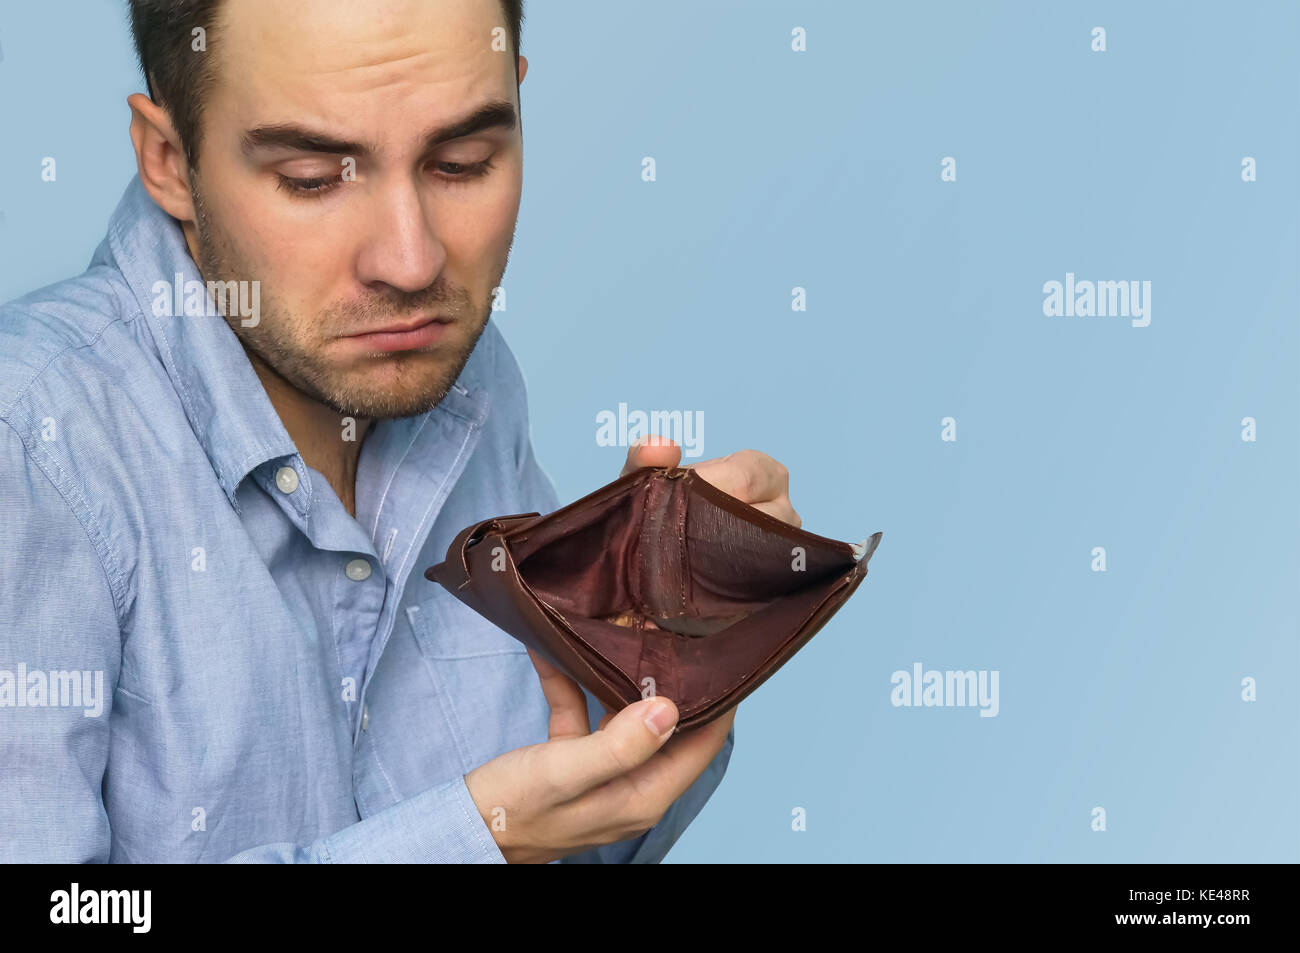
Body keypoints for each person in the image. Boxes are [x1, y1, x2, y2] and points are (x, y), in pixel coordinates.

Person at [0, 0, 802, 863]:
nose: (412, 262)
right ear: (168, 160)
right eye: (313, 177)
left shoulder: (455, 368)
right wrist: (472, 839)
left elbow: (543, 832)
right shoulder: (30, 445)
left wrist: (655, 663)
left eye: (462, 163)